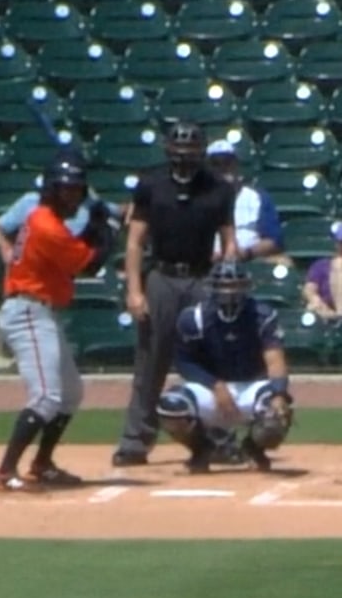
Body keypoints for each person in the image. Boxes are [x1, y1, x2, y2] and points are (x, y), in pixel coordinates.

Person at [112, 121, 238, 467]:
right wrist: (134, 290)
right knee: (150, 362)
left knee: (209, 361)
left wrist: (227, 276)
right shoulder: (151, 185)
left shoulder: (218, 188)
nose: (185, 156)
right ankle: (135, 441)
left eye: (192, 150)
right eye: (180, 150)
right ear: (169, 150)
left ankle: (220, 439)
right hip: (162, 277)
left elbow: (229, 241)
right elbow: (135, 241)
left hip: (202, 277)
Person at [0, 155, 115, 492]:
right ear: (51, 190)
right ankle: (5, 472)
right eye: (66, 190)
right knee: (46, 397)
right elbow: (89, 264)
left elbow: (73, 247)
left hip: (41, 311)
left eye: (76, 190)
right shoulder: (46, 225)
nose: (72, 196)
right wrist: (106, 230)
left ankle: (42, 464)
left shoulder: (47, 221)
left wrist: (94, 226)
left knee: (70, 393)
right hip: (28, 312)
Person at [156, 262, 294, 472]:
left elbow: (275, 359)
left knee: (275, 413)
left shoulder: (262, 315)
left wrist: (279, 393)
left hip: (251, 386)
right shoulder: (194, 317)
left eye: (235, 285)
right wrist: (215, 385)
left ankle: (253, 448)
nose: (230, 292)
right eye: (224, 286)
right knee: (171, 406)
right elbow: (184, 362)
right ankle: (202, 449)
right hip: (210, 388)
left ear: (246, 286)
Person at [205, 140, 288, 266]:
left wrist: (247, 253)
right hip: (208, 262)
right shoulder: (198, 198)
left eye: (227, 163)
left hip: (251, 260)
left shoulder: (257, 197)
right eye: (216, 164)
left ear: (236, 165)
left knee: (283, 262)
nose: (223, 169)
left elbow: (274, 240)